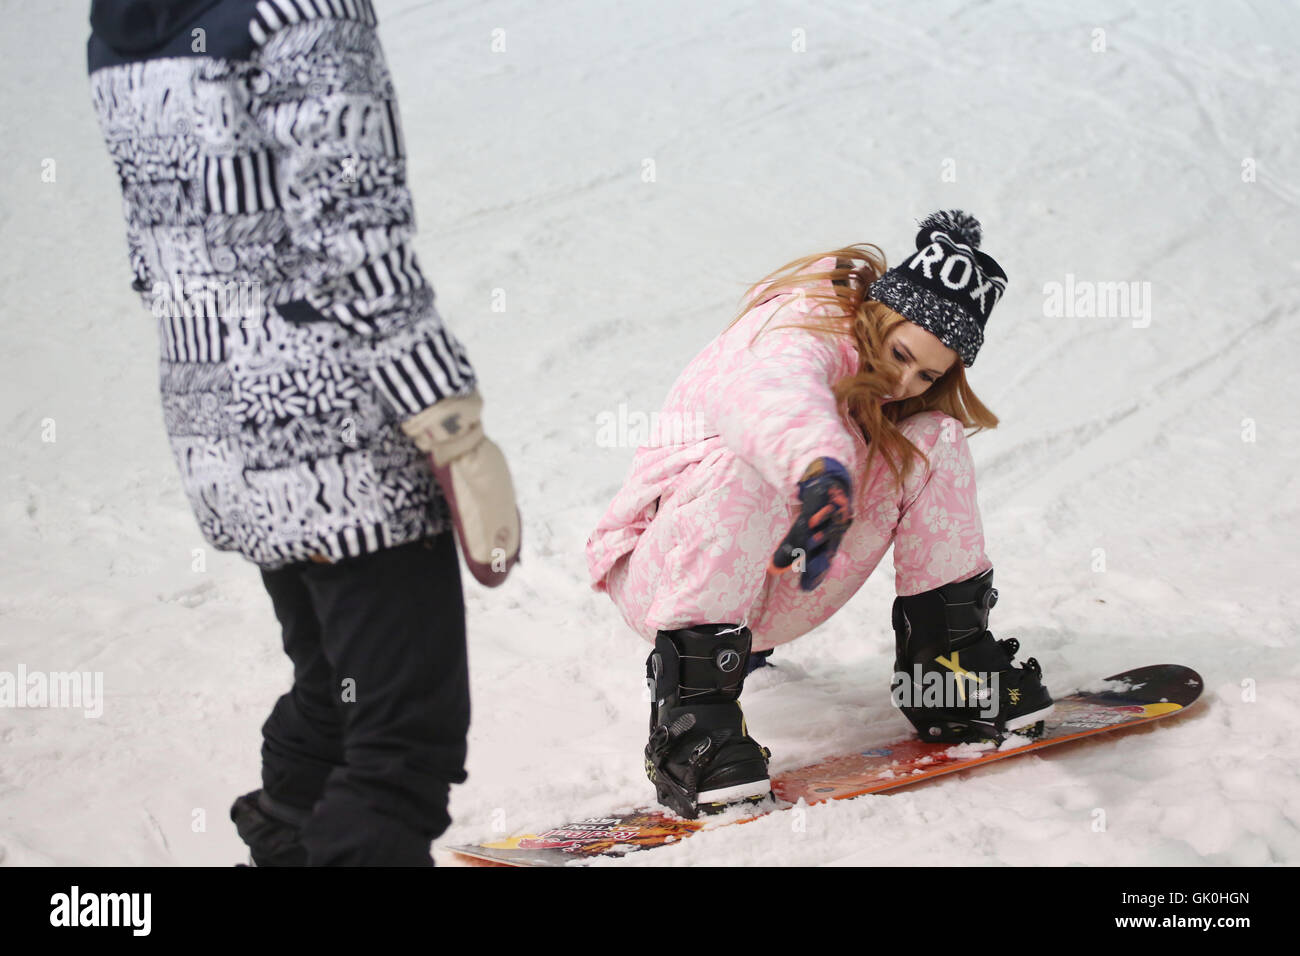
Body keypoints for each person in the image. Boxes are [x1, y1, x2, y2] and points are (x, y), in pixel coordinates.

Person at [86, 0, 520, 865]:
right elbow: (357, 246)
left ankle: (289, 842)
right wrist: (451, 425)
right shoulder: (303, 14)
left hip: (216, 417)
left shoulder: (124, 22)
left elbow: (153, 253)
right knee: (403, 738)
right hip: (338, 430)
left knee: (332, 688)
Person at [586, 210, 1053, 819]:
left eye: (928, 373)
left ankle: (947, 672)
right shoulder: (792, 330)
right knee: (742, 465)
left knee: (935, 438)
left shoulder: (902, 391)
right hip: (665, 577)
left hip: (790, 573)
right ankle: (692, 722)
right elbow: (772, 400)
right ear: (877, 315)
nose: (903, 380)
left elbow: (916, 425)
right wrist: (820, 475)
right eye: (899, 352)